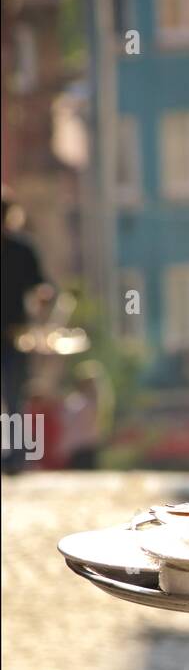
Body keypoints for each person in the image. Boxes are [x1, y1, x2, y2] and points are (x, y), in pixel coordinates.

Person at [1, 189, 52, 473]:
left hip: (13, 334)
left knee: (14, 396)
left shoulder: (22, 249)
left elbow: (41, 284)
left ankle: (15, 457)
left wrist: (44, 295)